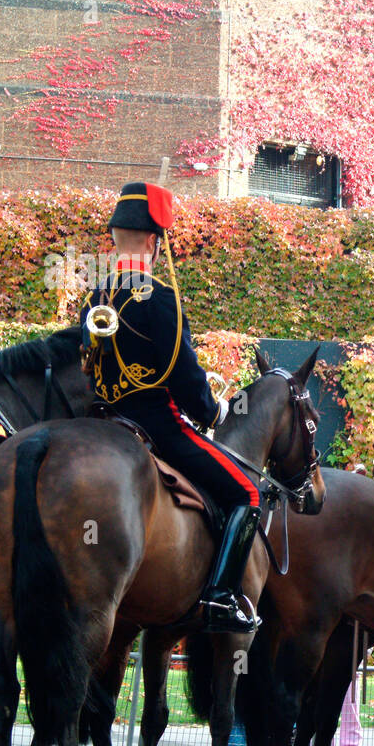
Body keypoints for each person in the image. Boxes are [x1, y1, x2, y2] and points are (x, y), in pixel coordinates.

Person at [79, 182, 261, 633]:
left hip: (101, 422)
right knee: (248, 495)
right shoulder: (159, 297)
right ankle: (220, 597)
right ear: (154, 243)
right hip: (158, 427)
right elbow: (183, 376)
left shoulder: (93, 298)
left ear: (118, 236)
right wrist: (212, 410)